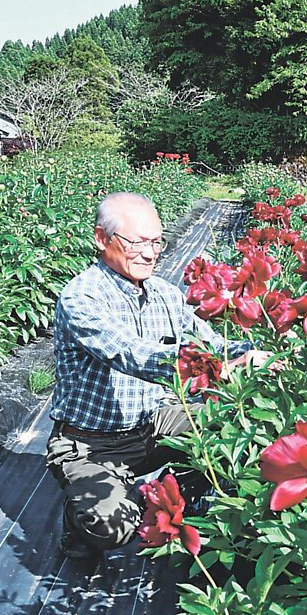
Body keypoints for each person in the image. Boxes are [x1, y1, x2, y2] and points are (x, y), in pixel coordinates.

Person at [46, 192, 268, 562]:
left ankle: (172, 497)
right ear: (103, 239)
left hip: (153, 423)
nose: (150, 253)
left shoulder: (166, 295)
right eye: (138, 243)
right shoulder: (81, 297)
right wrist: (206, 367)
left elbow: (212, 340)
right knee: (113, 525)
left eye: (156, 242)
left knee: (233, 431)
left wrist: (258, 350)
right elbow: (129, 352)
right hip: (93, 443)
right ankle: (82, 520)